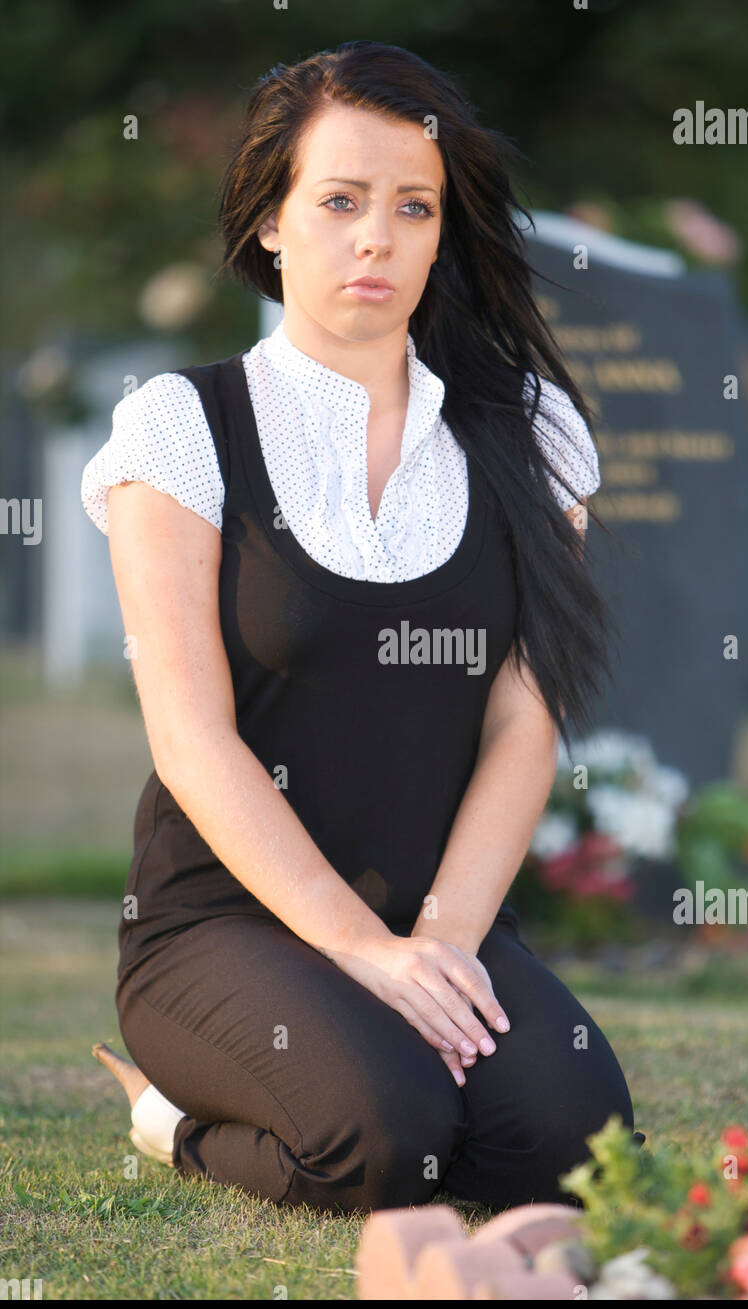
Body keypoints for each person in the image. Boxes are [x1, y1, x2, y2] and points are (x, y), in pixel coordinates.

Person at [87, 40, 643, 1216]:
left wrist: (434, 947)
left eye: (413, 205)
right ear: (272, 221)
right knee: (387, 1140)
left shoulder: (527, 434)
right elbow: (192, 742)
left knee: (575, 1138)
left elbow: (520, 721)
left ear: (446, 228)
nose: (376, 238)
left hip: (429, 914)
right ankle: (172, 1122)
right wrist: (358, 948)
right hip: (223, 922)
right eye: (338, 201)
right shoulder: (179, 432)